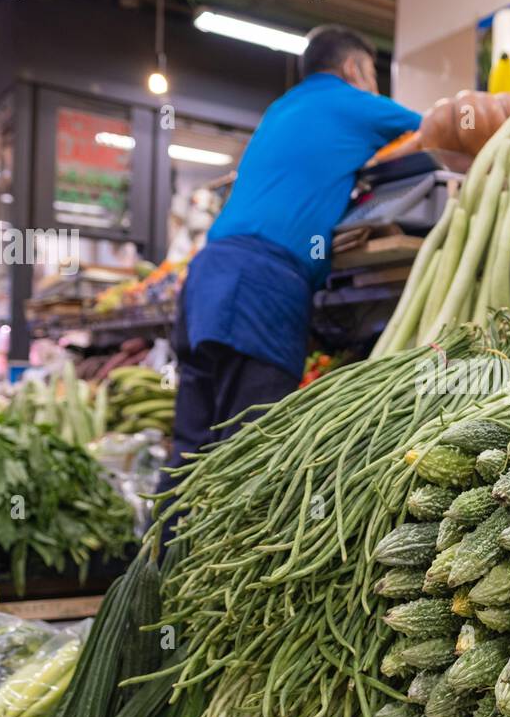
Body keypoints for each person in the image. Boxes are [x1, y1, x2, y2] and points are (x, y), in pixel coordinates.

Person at [158, 25, 422, 497]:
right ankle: (226, 569)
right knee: (249, 456)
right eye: (374, 76)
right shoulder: (349, 100)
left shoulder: (282, 108)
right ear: (355, 68)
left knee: (191, 450)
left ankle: (159, 564)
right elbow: (438, 128)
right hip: (261, 283)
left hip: (207, 277)